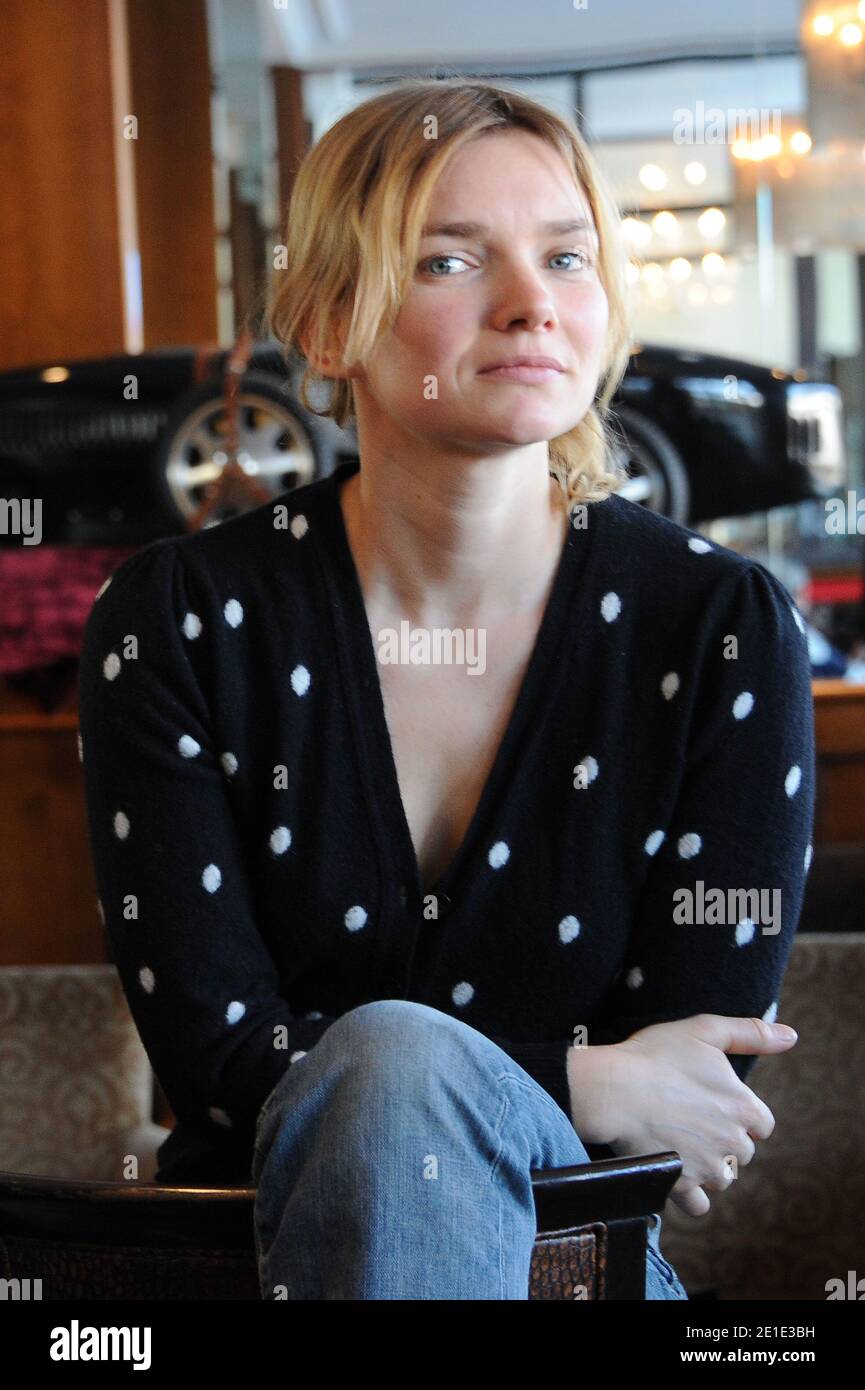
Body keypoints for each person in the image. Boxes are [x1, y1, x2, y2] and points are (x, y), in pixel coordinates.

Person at [78, 78, 814, 1301]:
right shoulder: (179, 622)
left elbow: (691, 1091)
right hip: (241, 1270)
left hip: (572, 1274)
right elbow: (213, 1056)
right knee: (389, 1063)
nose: (532, 305)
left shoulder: (720, 625)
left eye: (566, 256)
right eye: (449, 261)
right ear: (326, 324)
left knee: (390, 1057)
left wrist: (582, 1087)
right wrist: (590, 1076)